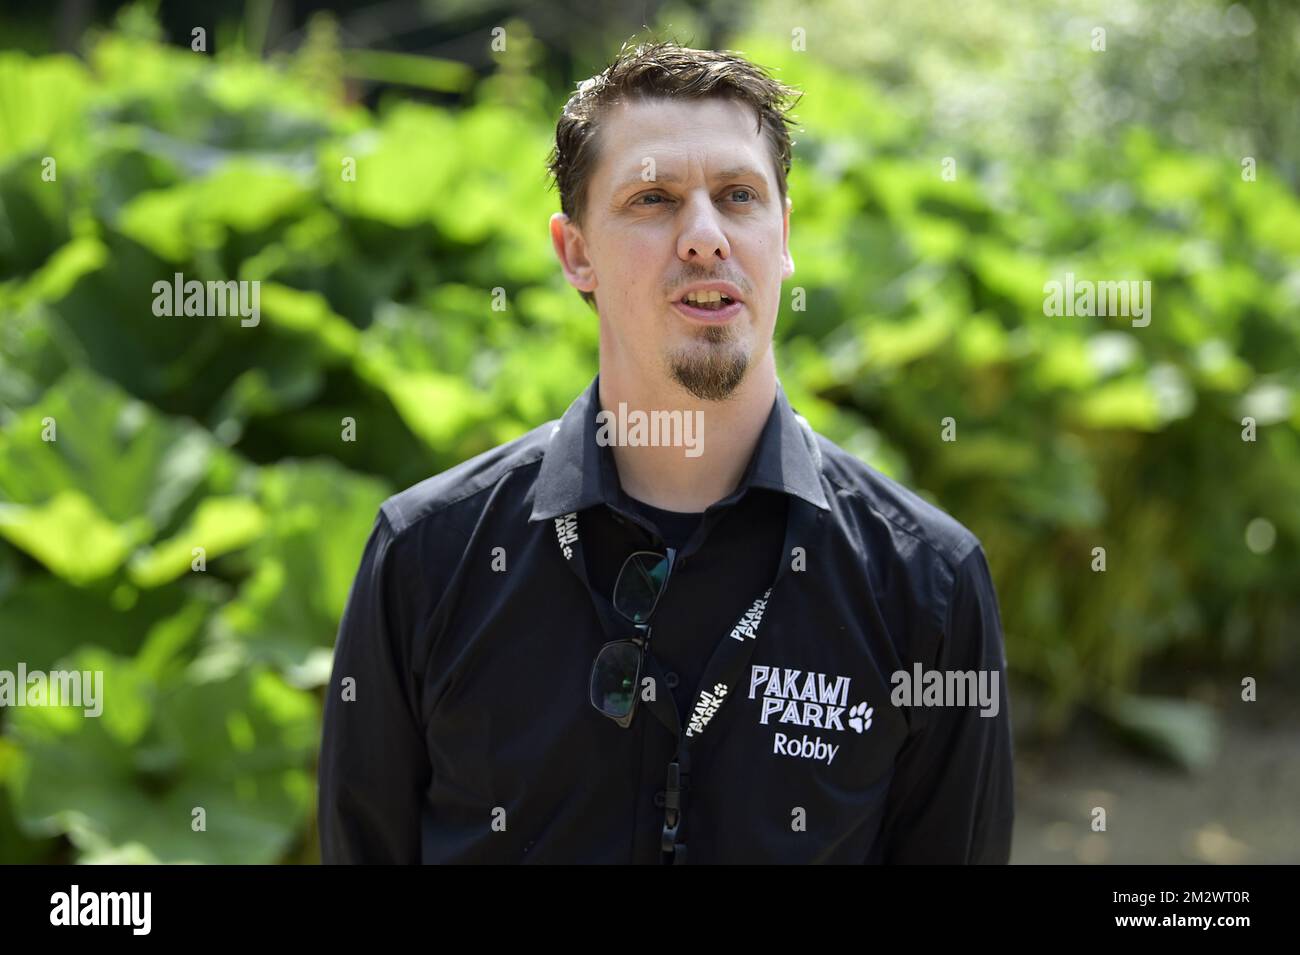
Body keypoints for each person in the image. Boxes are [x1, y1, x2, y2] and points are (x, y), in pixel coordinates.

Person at [318, 39, 1014, 864]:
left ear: (784, 236)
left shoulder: (927, 587)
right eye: (654, 198)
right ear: (576, 252)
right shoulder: (426, 557)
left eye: (739, 195)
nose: (706, 236)